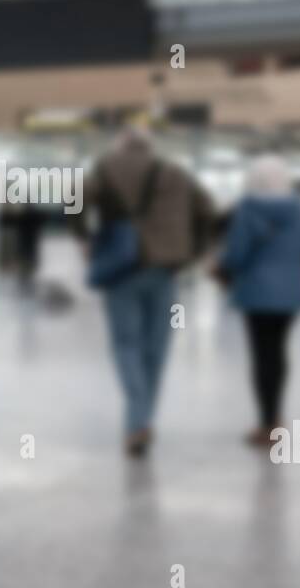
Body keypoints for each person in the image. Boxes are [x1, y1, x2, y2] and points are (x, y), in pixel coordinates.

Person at [79, 127, 215, 457]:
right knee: (156, 347)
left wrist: (83, 237)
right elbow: (208, 211)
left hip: (121, 269)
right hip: (164, 269)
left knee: (126, 343)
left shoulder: (104, 167)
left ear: (120, 146)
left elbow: (75, 199)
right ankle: (140, 422)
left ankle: (137, 421)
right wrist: (192, 251)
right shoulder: (176, 172)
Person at [219, 156, 300, 447]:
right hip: (290, 294)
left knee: (262, 355)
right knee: (278, 352)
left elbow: (236, 254)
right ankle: (276, 418)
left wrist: (223, 268)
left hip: (256, 294)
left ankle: (267, 423)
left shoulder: (247, 209)